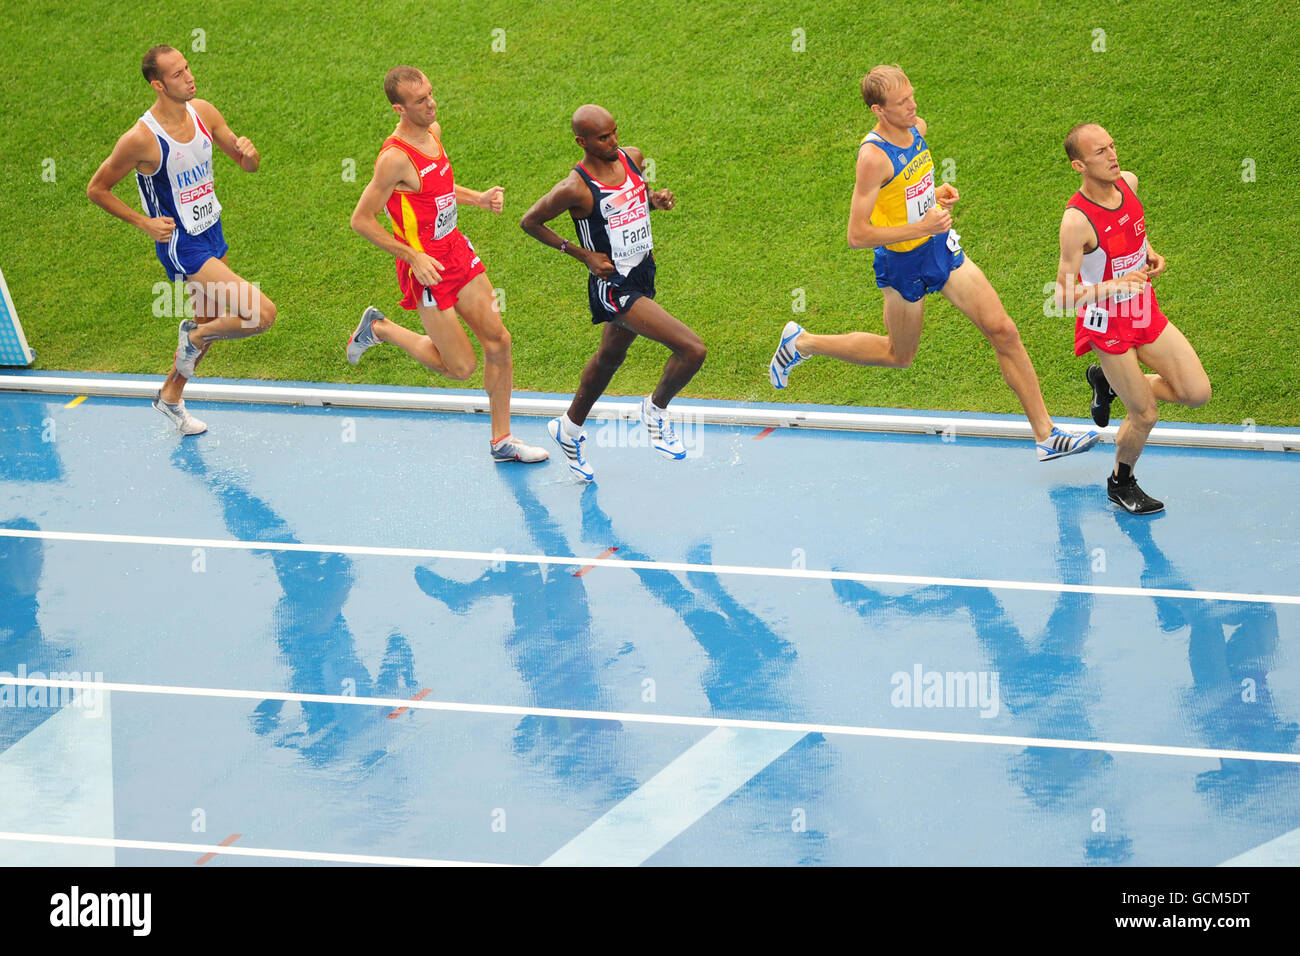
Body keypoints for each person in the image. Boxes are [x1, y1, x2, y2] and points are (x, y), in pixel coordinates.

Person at [769, 65, 1098, 463]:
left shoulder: (916, 128)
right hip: (903, 262)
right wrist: (919, 223)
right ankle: (802, 343)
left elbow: (907, 187)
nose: (912, 106)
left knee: (1003, 330)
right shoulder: (872, 157)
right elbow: (857, 235)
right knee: (899, 356)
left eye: (911, 95)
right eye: (901, 102)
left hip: (940, 247)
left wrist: (934, 194)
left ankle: (1046, 434)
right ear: (878, 110)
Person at [346, 66, 546, 464]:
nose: (431, 103)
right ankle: (380, 328)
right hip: (426, 271)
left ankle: (502, 440)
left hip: (456, 252)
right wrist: (413, 256)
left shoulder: (433, 133)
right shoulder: (393, 159)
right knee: (460, 367)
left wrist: (479, 198)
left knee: (499, 341)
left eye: (431, 95)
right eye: (420, 101)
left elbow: (438, 188)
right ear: (398, 109)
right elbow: (361, 220)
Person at [87, 45, 276, 436]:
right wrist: (144, 223)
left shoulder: (203, 112)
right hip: (182, 243)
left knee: (211, 321)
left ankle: (171, 395)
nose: (189, 77)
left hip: (211, 229)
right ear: (157, 85)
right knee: (260, 315)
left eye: (187, 68)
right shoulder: (140, 139)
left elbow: (246, 164)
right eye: (177, 74)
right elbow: (97, 189)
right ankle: (193, 335)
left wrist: (250, 155)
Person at [519, 104, 706, 481]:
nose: (613, 141)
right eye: (603, 138)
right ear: (582, 141)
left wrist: (654, 201)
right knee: (692, 350)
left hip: (643, 272)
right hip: (613, 285)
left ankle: (568, 430)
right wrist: (582, 255)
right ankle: (654, 412)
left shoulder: (632, 159)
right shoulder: (574, 188)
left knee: (610, 357)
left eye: (615, 132)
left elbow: (637, 196)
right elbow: (530, 222)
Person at [1054, 124, 1211, 514]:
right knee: (1144, 413)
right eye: (1100, 153)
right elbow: (1064, 295)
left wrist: (1151, 253)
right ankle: (1121, 482)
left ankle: (1108, 381)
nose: (1112, 156)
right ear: (1079, 165)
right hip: (1107, 324)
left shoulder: (1128, 183)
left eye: (1112, 147)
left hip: (1143, 309)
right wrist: (1115, 283)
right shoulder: (1076, 221)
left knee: (1196, 394)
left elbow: (1133, 235)